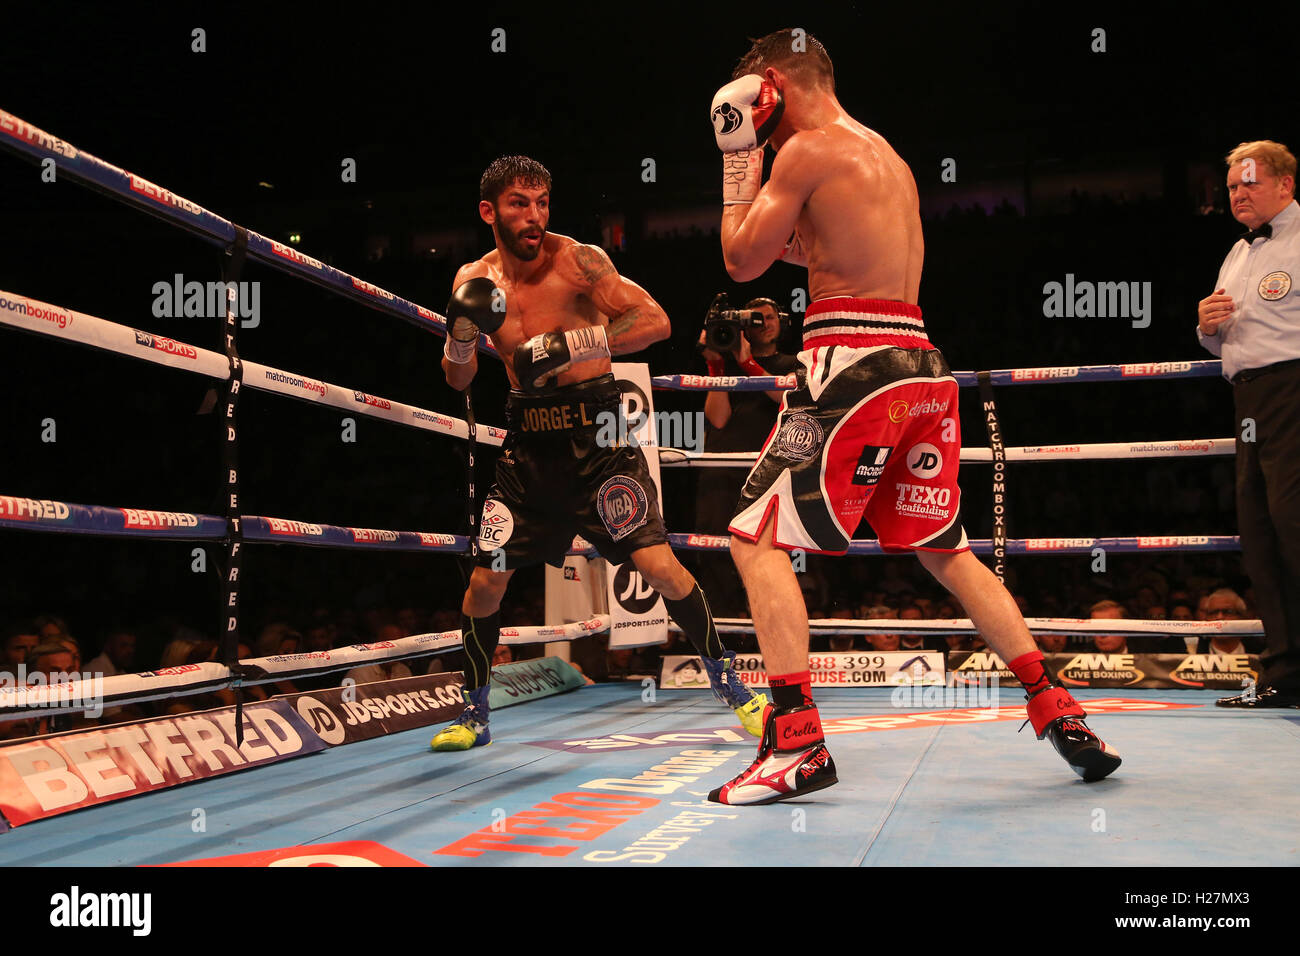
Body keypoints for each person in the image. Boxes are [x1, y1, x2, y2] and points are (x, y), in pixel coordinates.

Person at [705, 30, 1120, 804]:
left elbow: (738, 257)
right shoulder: (882, 155)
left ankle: (794, 740)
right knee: (947, 549)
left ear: (768, 87)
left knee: (754, 536)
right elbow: (817, 246)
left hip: (853, 366)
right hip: (922, 371)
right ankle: (1056, 706)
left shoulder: (801, 152)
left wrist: (738, 157)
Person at [429, 155, 768, 751]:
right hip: (529, 449)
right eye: (518, 204)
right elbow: (457, 382)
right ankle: (474, 714)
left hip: (601, 439)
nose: (534, 217)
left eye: (541, 203)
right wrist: (461, 335)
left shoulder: (579, 260)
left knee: (661, 567)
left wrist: (569, 344)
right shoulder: (472, 280)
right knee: (486, 582)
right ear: (489, 211)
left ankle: (736, 688)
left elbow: (656, 320)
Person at [1197, 141, 1300, 708]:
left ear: (1285, 184)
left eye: (1250, 183)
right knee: (1261, 534)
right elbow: (1223, 338)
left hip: (1294, 390)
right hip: (1249, 401)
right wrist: (1205, 326)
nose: (1238, 194)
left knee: (1295, 528)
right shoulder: (1236, 253)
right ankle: (1284, 674)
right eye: (1233, 185)